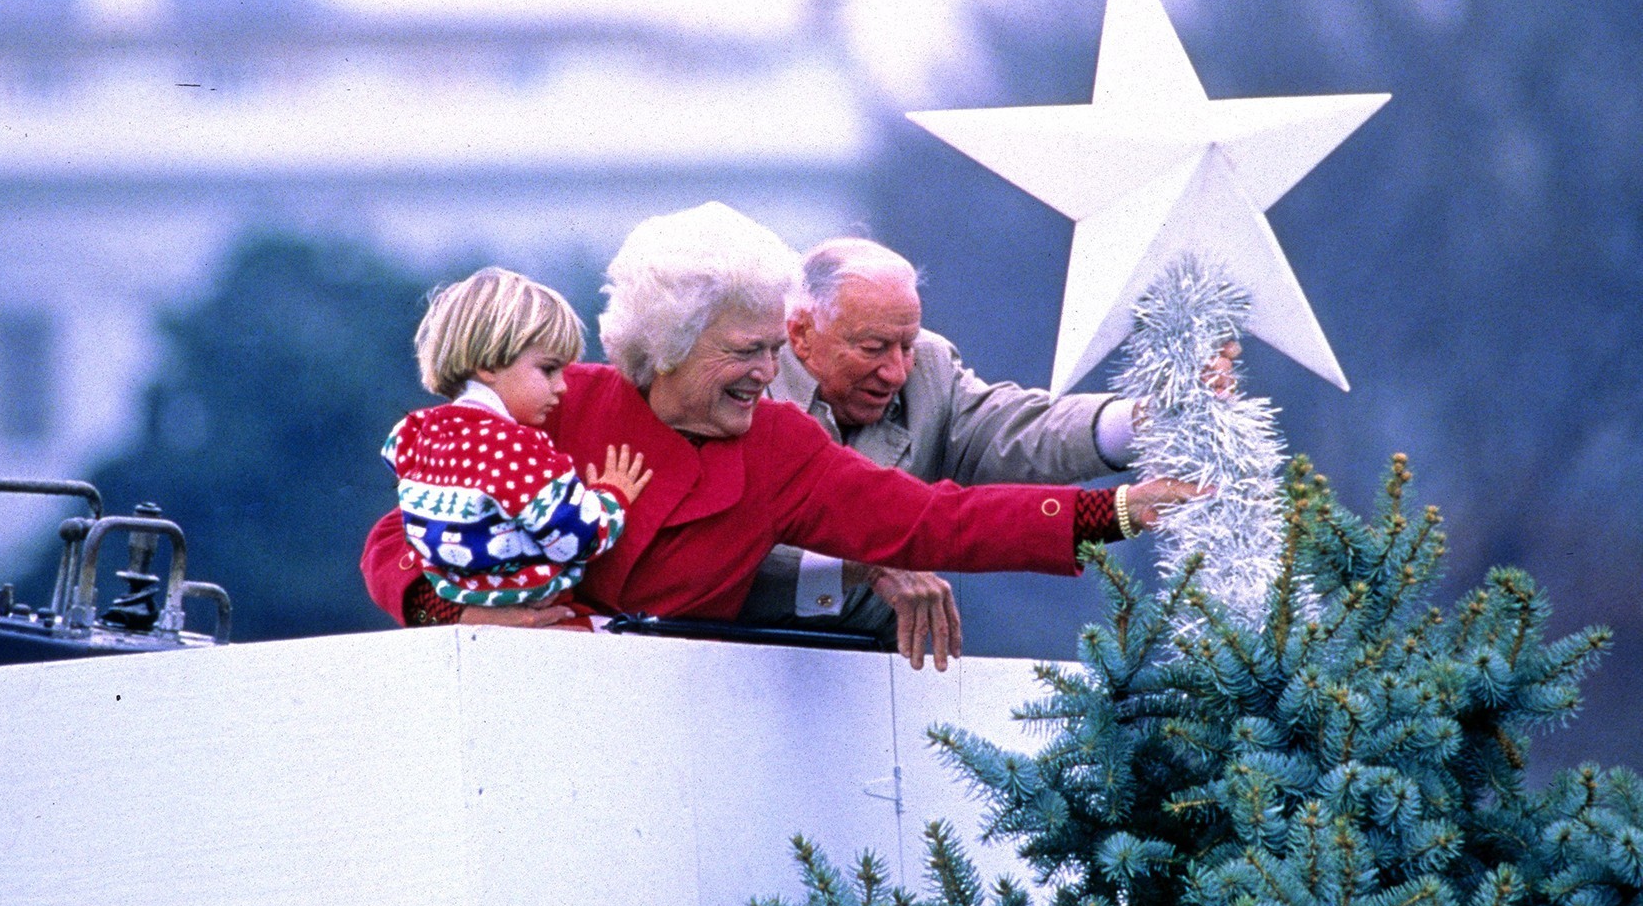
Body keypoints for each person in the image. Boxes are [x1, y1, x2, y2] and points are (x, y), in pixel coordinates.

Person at [360, 202, 1204, 632]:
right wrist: (463, 613)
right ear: (670, 345)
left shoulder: (779, 446)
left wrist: (1120, 511)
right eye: (747, 352)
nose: (772, 374)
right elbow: (398, 541)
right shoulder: (555, 406)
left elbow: (933, 521)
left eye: (776, 349)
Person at [740, 236, 1236, 670]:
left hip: (875, 677)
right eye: (873, 348)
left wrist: (1149, 419)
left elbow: (1020, 430)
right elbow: (718, 551)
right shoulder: (741, 387)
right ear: (800, 334)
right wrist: (864, 567)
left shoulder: (929, 369)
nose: (896, 372)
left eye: (906, 346)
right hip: (717, 666)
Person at [383, 267, 653, 612]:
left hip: (451, 593)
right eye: (548, 369)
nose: (563, 386)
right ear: (489, 365)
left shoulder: (413, 431)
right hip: (522, 600)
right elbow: (577, 538)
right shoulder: (515, 450)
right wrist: (612, 496)